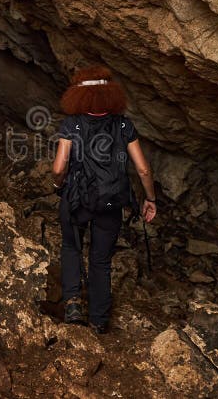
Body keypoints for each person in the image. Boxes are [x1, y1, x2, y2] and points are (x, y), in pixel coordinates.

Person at [51, 65, 157, 335]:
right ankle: (99, 321)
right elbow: (143, 169)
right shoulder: (123, 125)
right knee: (101, 259)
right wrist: (150, 199)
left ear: (78, 96)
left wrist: (56, 185)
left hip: (76, 199)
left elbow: (59, 167)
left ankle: (73, 305)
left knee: (71, 247)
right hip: (110, 203)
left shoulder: (71, 124)